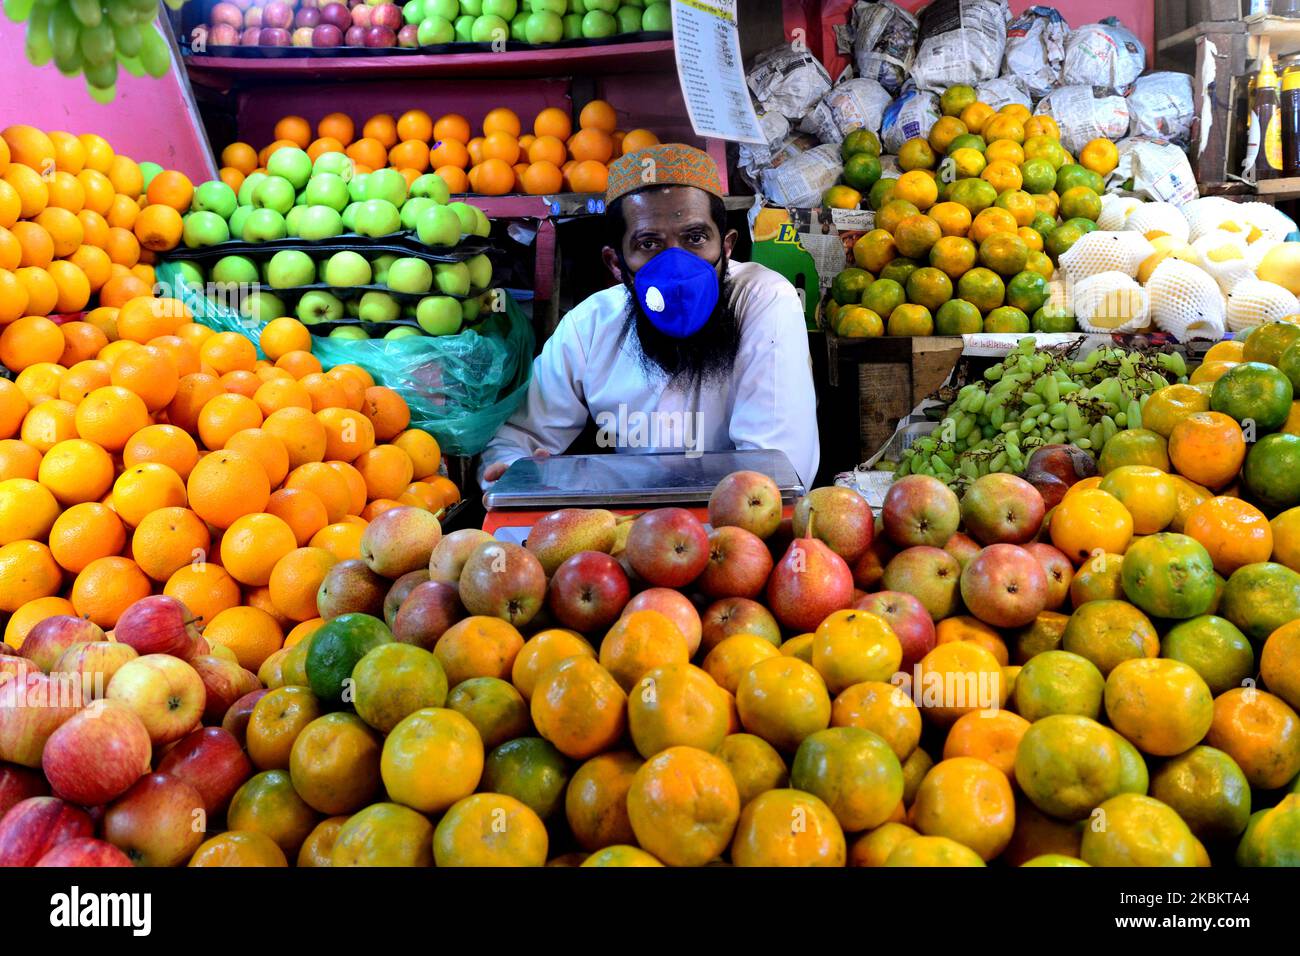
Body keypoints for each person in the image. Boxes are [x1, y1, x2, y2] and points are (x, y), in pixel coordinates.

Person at [479, 143, 819, 487]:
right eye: (649, 244)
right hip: (625, 530)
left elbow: (776, 477)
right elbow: (515, 440)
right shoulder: (590, 325)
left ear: (727, 247)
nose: (676, 267)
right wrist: (512, 471)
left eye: (696, 238)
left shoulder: (765, 300)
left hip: (738, 531)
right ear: (616, 263)